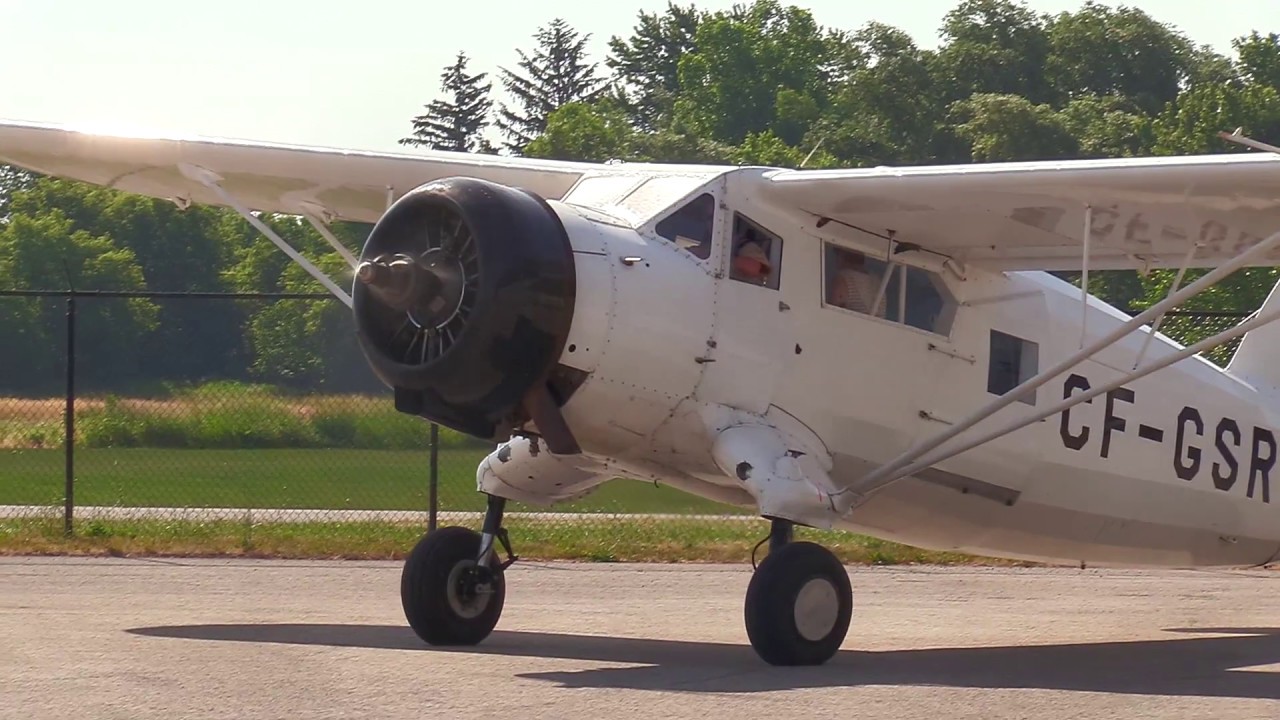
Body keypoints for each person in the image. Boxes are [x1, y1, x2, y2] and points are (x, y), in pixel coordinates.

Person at [829, 249, 880, 316]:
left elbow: (832, 313)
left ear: (841, 256)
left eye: (837, 255)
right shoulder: (878, 281)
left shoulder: (842, 278)